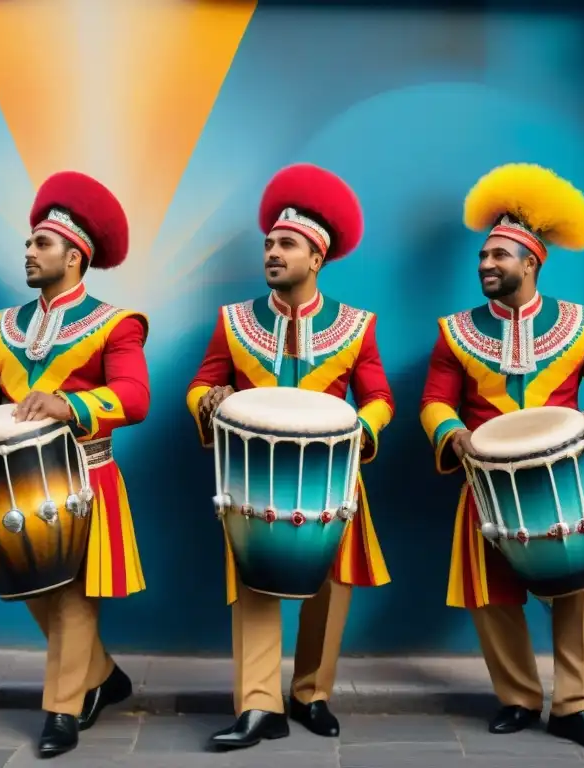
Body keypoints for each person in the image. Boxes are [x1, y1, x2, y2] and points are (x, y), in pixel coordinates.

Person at [419, 163, 584, 753]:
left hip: (573, 480)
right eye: (482, 258)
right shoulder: (454, 332)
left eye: (498, 257)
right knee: (491, 594)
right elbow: (433, 401)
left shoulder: (581, 324)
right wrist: (453, 436)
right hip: (486, 484)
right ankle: (518, 698)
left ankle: (576, 707)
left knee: (583, 592)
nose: (485, 266)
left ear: (531, 263)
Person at [0, 171, 150, 759]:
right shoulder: (0, 327)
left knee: (75, 597)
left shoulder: (117, 323)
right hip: (9, 484)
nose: (28, 251)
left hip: (85, 475)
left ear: (75, 255)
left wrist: (70, 405)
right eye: (28, 242)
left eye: (42, 244)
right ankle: (103, 676)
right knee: (36, 593)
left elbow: (135, 398)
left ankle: (61, 711)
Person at [186, 164, 394, 752]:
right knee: (252, 587)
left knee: (331, 586)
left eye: (286, 245)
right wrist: (212, 400)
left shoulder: (358, 327)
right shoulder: (233, 321)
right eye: (269, 244)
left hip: (335, 477)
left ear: (316, 257)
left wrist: (359, 429)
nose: (272, 254)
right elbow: (200, 385)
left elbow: (379, 400)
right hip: (252, 479)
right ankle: (258, 705)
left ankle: (311, 693)